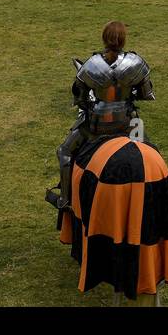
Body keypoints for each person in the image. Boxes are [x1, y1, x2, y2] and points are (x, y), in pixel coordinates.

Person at [49, 21, 154, 212]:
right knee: (152, 153)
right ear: (123, 40)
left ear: (104, 39)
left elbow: (79, 98)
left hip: (97, 124)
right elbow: (147, 95)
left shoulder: (91, 65)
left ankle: (66, 200)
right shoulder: (135, 62)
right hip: (128, 122)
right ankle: (155, 193)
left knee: (64, 152)